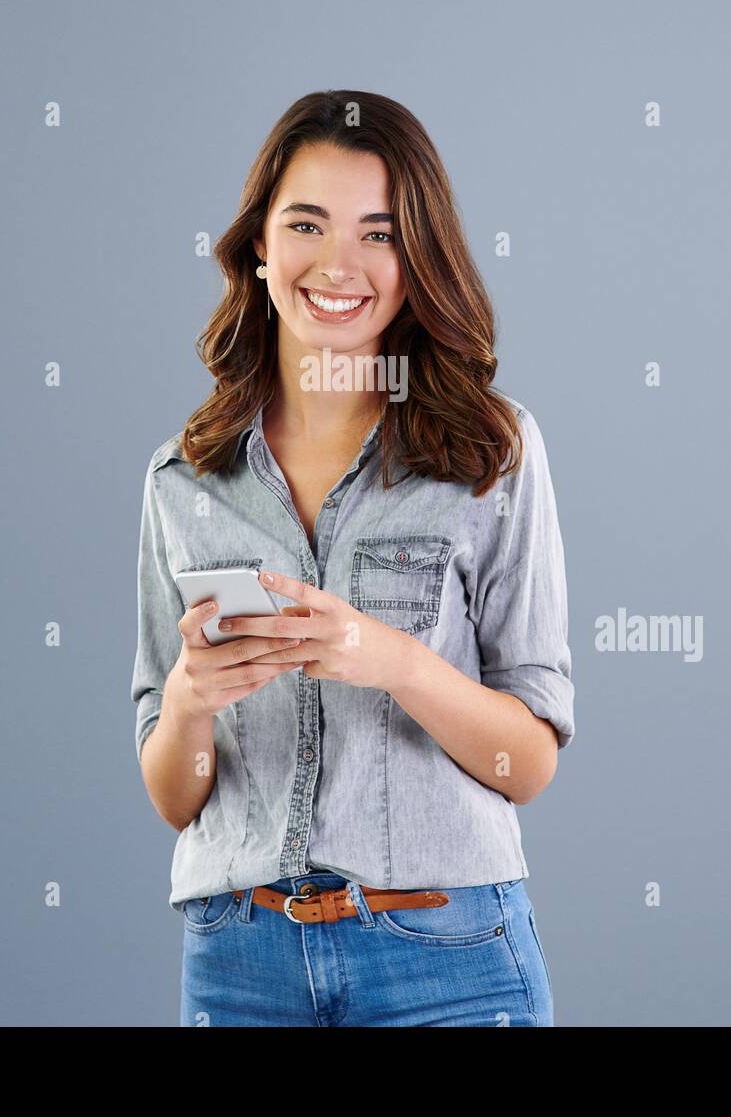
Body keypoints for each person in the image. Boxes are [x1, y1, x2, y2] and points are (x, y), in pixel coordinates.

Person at [131, 89, 575, 1027]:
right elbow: (177, 799)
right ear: (258, 245)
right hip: (238, 962)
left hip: (447, 965)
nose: (339, 265)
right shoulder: (183, 479)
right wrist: (187, 701)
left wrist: (391, 661)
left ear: (418, 260)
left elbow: (526, 762)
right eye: (306, 224)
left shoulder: (491, 452)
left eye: (379, 233)